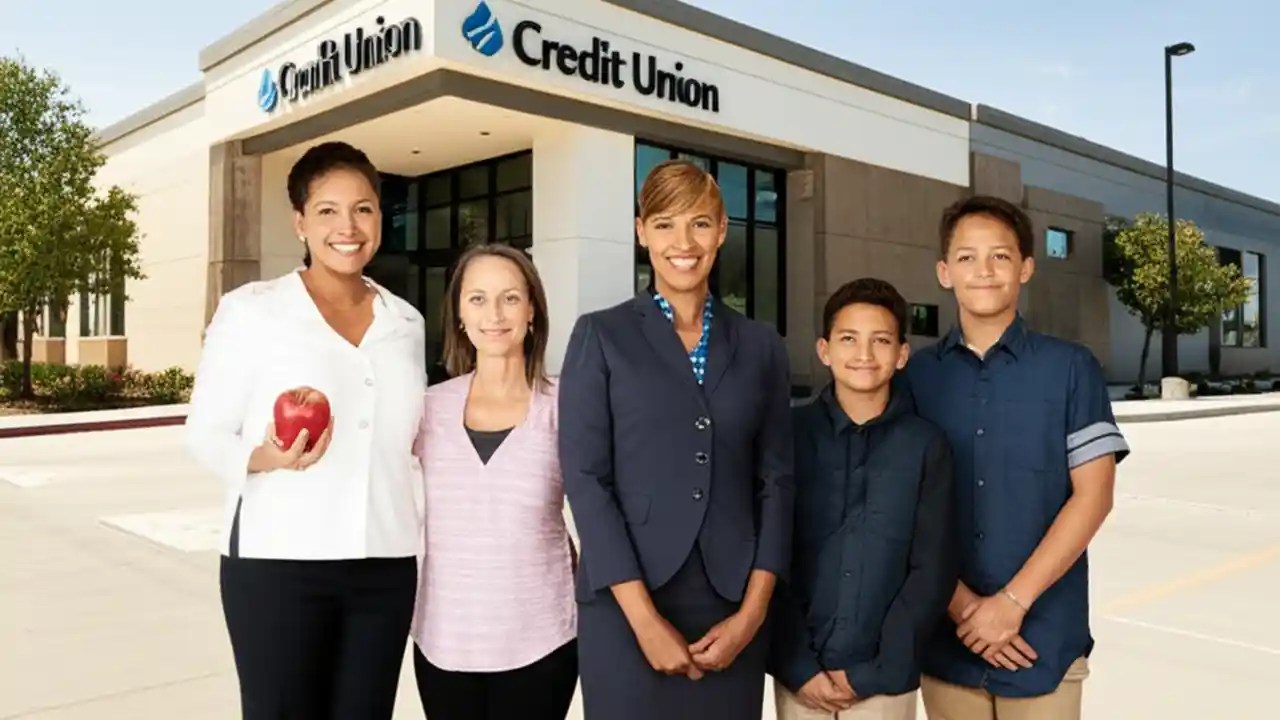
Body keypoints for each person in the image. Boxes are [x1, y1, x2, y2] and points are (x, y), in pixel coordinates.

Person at [184, 141, 427, 719]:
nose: (348, 226)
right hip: (278, 565)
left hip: (384, 567)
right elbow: (204, 432)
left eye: (363, 209)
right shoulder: (252, 311)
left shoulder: (407, 322)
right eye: (327, 210)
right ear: (300, 222)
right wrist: (266, 456)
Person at [558, 159, 795, 720]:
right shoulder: (601, 334)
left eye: (699, 223)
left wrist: (753, 615)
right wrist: (644, 622)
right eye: (664, 224)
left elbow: (778, 483)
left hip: (731, 604)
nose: (682, 242)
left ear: (721, 231)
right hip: (626, 601)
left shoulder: (762, 346)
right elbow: (586, 481)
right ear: (641, 233)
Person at [902, 196, 1130, 720]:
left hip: (1042, 639)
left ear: (1025, 267)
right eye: (966, 257)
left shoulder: (1072, 368)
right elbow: (903, 505)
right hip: (946, 639)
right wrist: (964, 609)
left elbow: (1094, 496)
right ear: (944, 271)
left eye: (1000, 257)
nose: (983, 271)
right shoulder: (915, 378)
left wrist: (1011, 605)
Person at [771, 278, 958, 720]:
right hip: (800, 676)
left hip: (882, 682)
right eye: (849, 339)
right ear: (824, 349)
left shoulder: (926, 445)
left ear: (902, 354)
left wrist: (877, 671)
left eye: (881, 341)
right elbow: (769, 557)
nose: (864, 355)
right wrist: (796, 664)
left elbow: (932, 568)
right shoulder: (788, 438)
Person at [410, 243, 578, 720]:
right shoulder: (427, 408)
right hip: (445, 640)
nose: (494, 314)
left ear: (531, 311)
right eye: (478, 298)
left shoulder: (566, 406)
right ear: (459, 314)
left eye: (510, 297)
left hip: (542, 639)